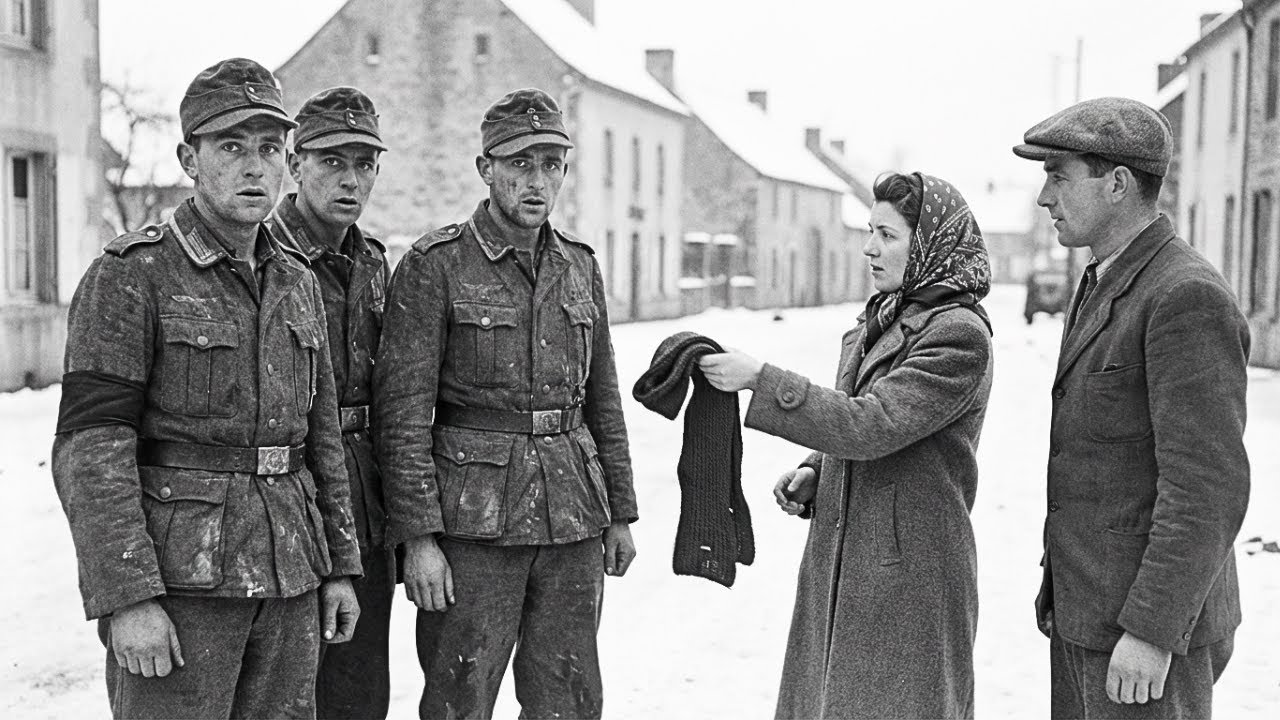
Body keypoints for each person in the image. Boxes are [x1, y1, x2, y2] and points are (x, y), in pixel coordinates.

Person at [50, 58, 362, 718]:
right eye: (231, 147)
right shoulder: (134, 275)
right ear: (189, 159)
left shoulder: (297, 282)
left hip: (290, 583)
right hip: (182, 590)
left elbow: (322, 442)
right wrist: (127, 596)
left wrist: (338, 568)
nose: (255, 167)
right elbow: (90, 450)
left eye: (269, 149)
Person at [372, 88, 638, 720]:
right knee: (459, 699)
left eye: (551, 164)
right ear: (486, 168)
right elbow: (403, 415)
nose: (536, 180)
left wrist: (619, 511)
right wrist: (419, 538)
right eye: (520, 164)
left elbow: (602, 398)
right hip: (473, 525)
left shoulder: (579, 267)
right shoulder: (435, 265)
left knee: (570, 699)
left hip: (572, 517)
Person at [700, 172, 994, 719]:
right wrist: (819, 470)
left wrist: (760, 379)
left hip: (910, 575)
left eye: (887, 234)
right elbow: (861, 422)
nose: (869, 247)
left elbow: (873, 423)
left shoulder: (959, 335)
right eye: (869, 230)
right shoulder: (881, 319)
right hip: (845, 563)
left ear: (928, 243)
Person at [1013, 97, 1249, 719]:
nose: (1044, 197)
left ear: (1117, 184)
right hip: (1088, 615)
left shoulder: (1183, 296)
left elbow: (1206, 486)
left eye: (1058, 175)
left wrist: (1150, 630)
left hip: (1143, 638)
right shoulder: (1104, 279)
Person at [267, 86, 393, 720]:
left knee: (360, 692)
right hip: (289, 504)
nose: (352, 180)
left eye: (365, 164)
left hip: (365, 508)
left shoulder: (373, 261)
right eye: (332, 162)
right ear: (295, 164)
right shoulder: (262, 256)